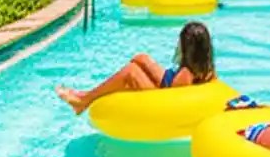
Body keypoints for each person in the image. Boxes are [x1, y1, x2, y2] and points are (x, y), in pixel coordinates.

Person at [56, 22, 215, 115]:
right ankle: (88, 94)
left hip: (162, 97)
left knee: (131, 72)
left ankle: (83, 100)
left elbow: (170, 101)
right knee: (141, 58)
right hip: (167, 81)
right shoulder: (206, 68)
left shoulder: (186, 74)